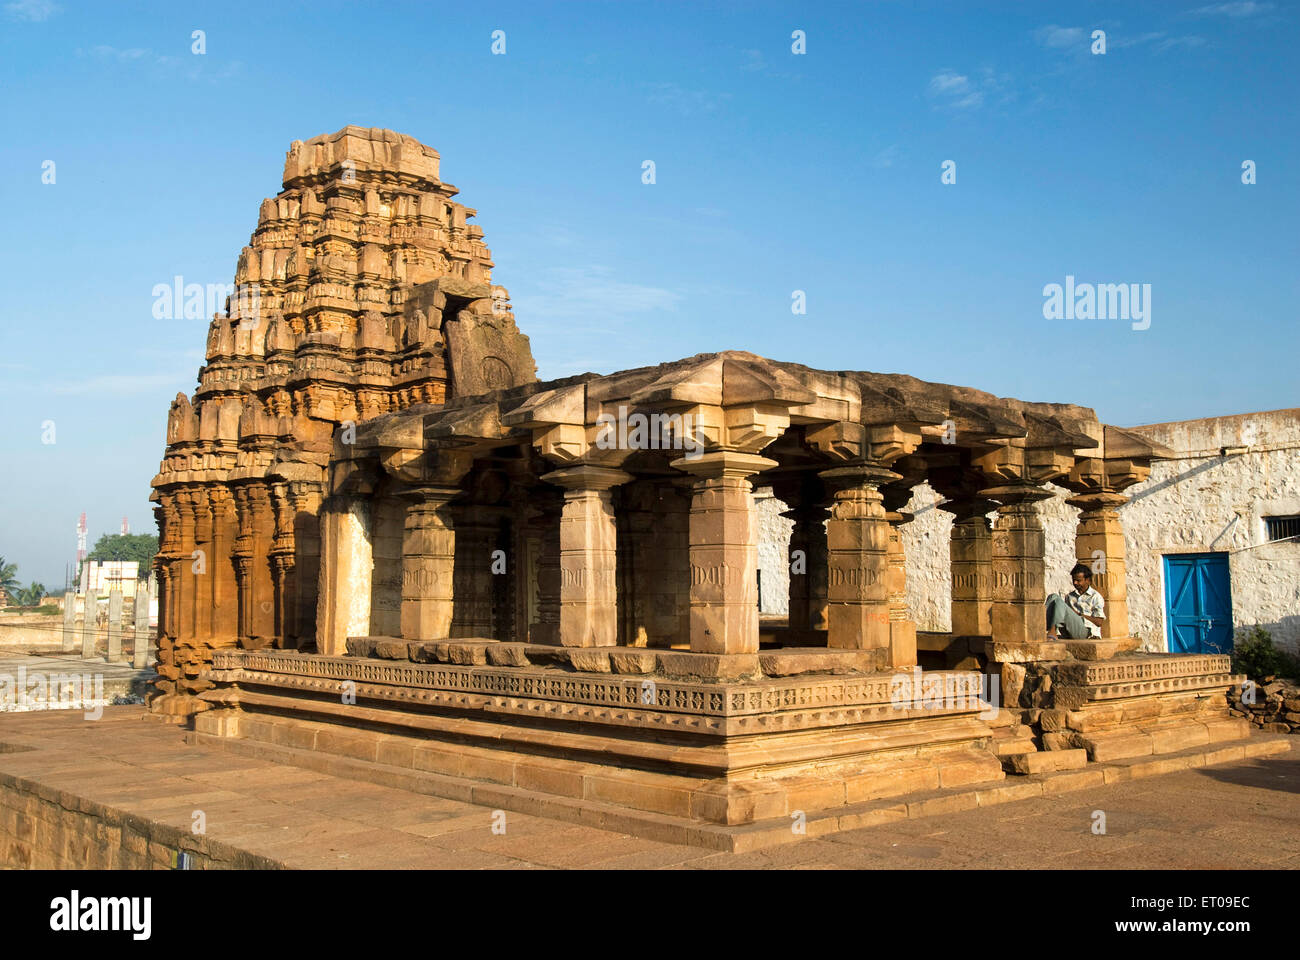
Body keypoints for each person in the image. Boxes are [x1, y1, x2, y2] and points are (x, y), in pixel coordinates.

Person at [1046, 563, 1105, 640]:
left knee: (1058, 601)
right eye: (1074, 580)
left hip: (1086, 632)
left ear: (1087, 580)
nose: (1075, 583)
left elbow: (1099, 622)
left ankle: (1053, 631)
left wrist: (1079, 614)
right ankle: (1042, 627)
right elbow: (1065, 616)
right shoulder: (1069, 596)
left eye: (1078, 580)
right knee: (1053, 597)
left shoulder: (1095, 597)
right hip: (1069, 630)